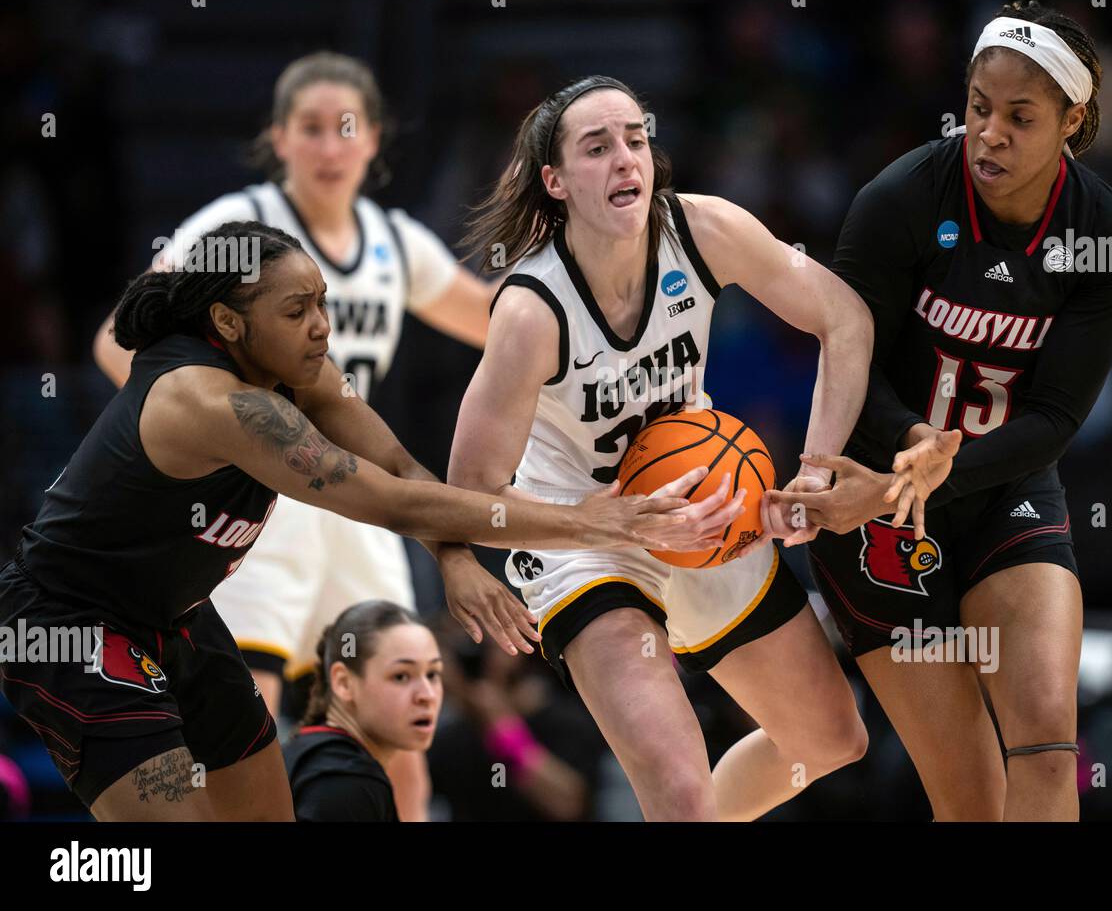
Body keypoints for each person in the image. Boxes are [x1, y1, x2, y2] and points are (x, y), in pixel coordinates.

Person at [0, 221, 711, 820]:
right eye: (296, 311)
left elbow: (402, 467)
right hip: (68, 624)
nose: (321, 328)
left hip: (177, 614)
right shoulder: (214, 403)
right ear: (227, 322)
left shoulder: (297, 367)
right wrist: (591, 524)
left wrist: (456, 560)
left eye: (322, 303)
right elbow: (390, 502)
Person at [449, 75, 875, 822]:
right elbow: (470, 492)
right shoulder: (530, 310)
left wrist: (812, 473)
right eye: (597, 146)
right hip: (582, 542)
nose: (625, 159)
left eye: (636, 139)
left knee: (832, 738)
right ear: (555, 182)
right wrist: (600, 523)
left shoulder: (704, 231)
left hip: (703, 508)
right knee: (679, 793)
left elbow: (845, 321)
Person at [90, 51, 502, 819]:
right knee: (248, 721)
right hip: (261, 499)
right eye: (308, 128)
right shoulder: (236, 230)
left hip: (358, 500)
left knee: (401, 737)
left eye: (345, 128)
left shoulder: (393, 240)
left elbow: (496, 323)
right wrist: (200, 430)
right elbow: (118, 340)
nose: (328, 145)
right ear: (278, 139)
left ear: (375, 139)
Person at [770, 1, 1112, 821]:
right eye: (979, 108)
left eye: (1020, 117)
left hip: (1004, 486)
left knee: (1048, 742)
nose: (990, 133)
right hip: (875, 506)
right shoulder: (900, 198)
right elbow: (848, 360)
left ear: (1072, 121)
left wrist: (944, 465)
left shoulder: (1107, 234)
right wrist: (911, 445)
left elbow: (1054, 417)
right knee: (973, 801)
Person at [284, 601, 441, 822]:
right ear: (344, 682)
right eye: (401, 676)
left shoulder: (307, 752)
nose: (427, 695)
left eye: (433, 674)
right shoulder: (348, 783)